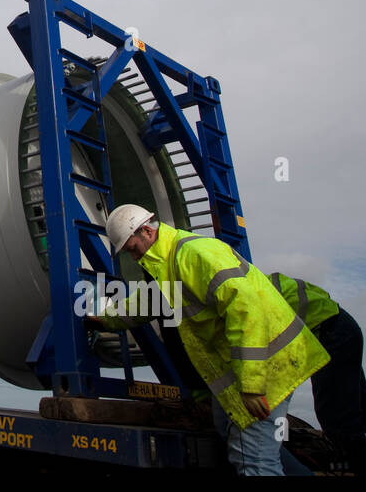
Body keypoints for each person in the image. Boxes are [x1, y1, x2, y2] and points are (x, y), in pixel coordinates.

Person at [86, 204, 331, 476]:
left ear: (146, 230)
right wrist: (105, 319)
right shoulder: (167, 263)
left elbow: (246, 310)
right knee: (229, 428)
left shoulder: (194, 253)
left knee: (255, 462)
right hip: (247, 366)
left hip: (265, 366)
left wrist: (252, 386)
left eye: (132, 248)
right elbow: (148, 303)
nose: (133, 257)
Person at [266, 272, 366, 474]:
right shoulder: (265, 283)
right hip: (342, 325)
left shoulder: (248, 299)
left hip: (328, 334)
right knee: (363, 407)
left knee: (337, 421)